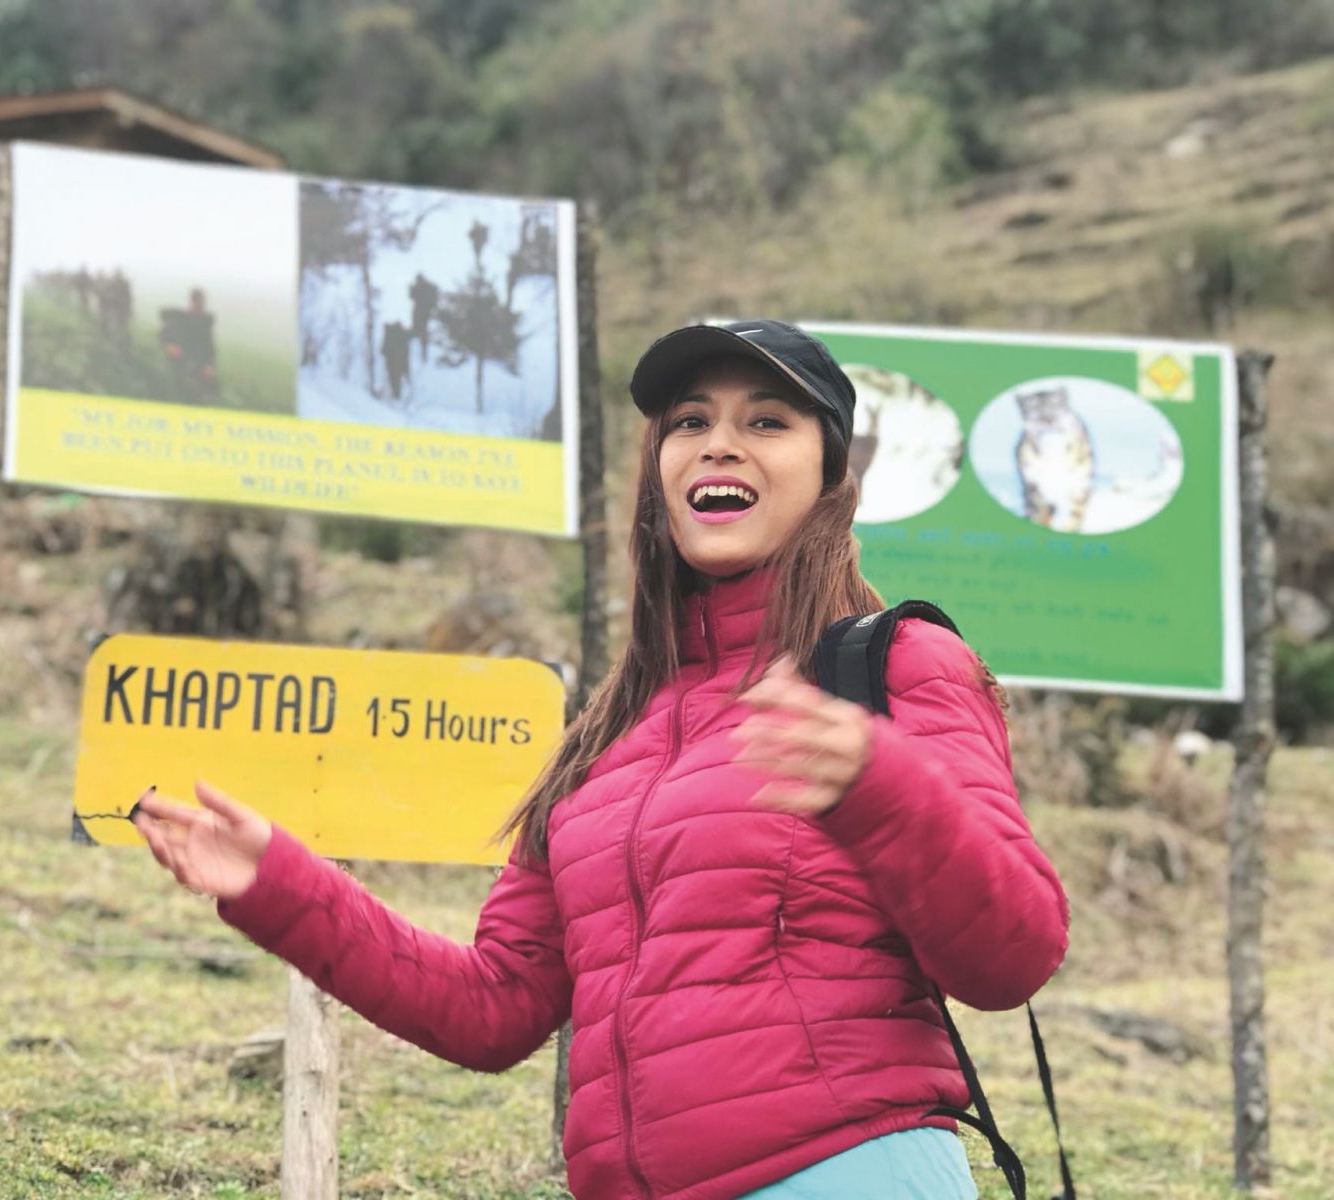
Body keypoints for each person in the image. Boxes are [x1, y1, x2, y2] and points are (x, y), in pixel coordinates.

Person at [133, 320, 1070, 1200]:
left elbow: (1013, 957)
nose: (719, 444)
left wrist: (881, 786)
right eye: (690, 421)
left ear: (831, 474)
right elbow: (493, 1008)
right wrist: (279, 884)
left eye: (767, 422)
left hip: (843, 1171)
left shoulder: (898, 666)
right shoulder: (606, 740)